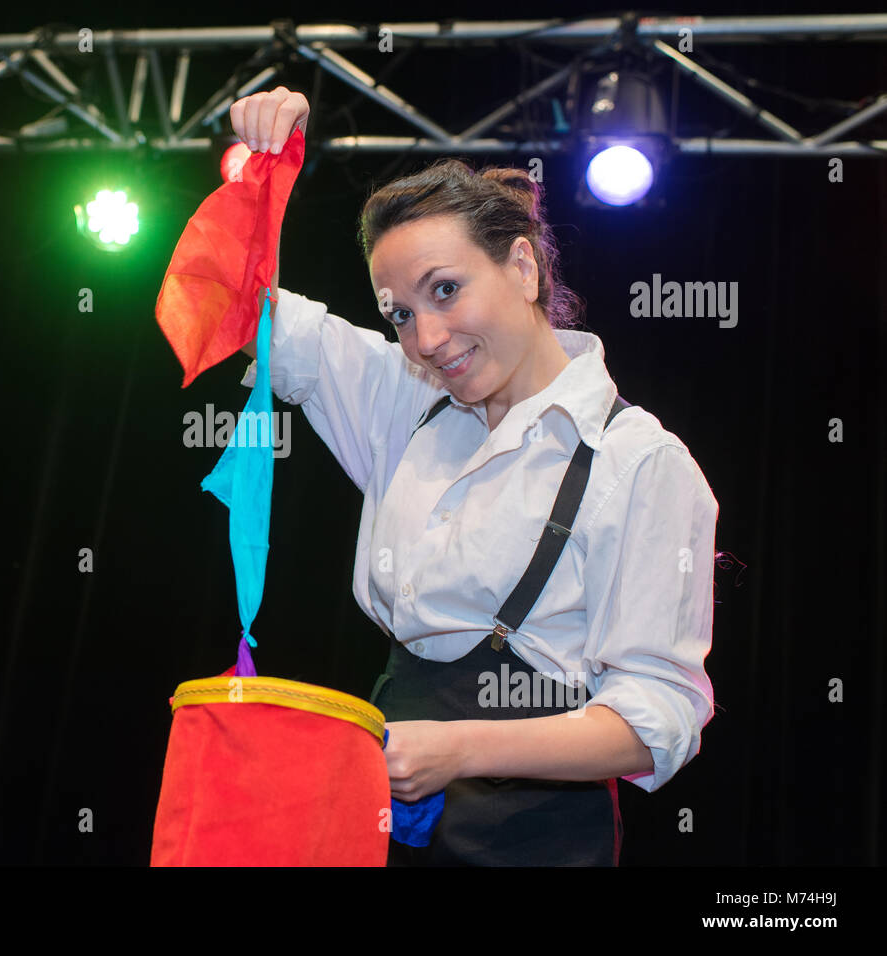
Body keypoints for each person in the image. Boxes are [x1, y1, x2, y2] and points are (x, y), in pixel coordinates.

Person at [229, 87, 718, 866]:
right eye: (398, 314)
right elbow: (231, 306)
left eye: (446, 290)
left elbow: (660, 718)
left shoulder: (640, 463)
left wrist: (459, 748)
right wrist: (257, 169)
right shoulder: (403, 400)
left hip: (532, 837)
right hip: (385, 820)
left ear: (522, 266)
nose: (425, 338)